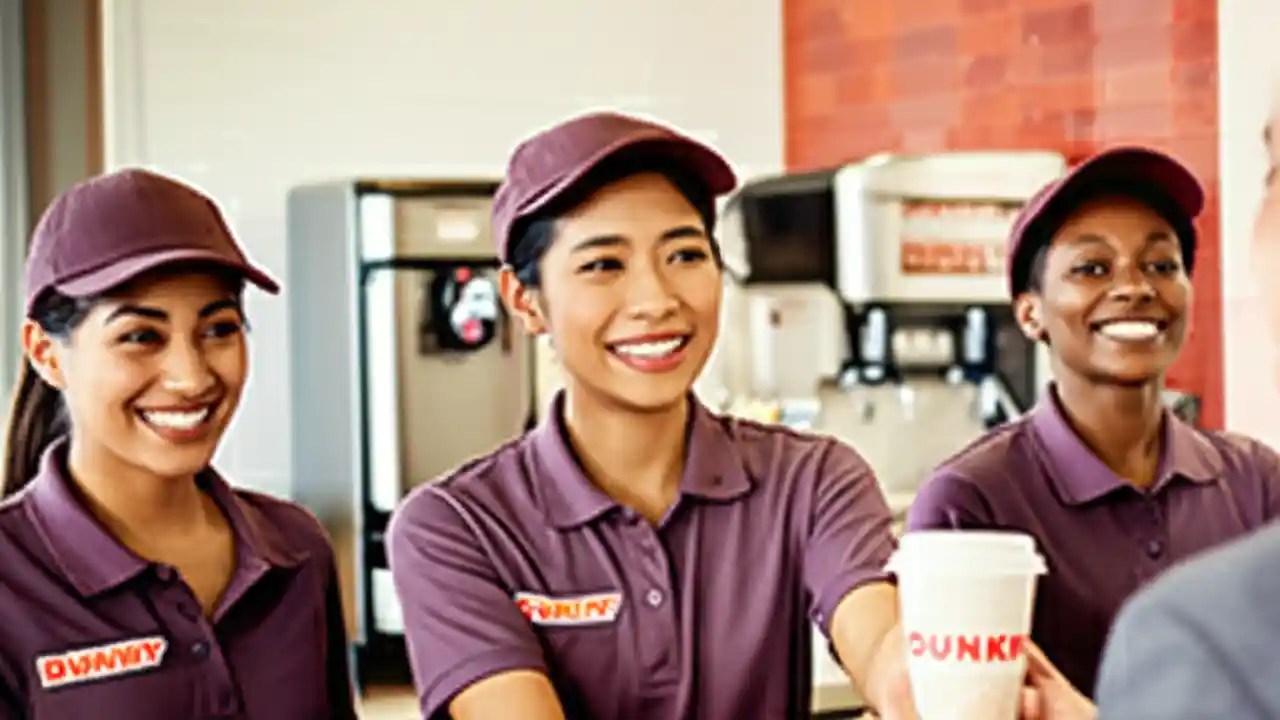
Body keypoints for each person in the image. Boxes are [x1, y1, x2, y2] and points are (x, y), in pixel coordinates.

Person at [385, 110, 915, 720]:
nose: (657, 301)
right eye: (603, 265)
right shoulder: (456, 529)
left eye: (685, 255)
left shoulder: (812, 481)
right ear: (524, 302)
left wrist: (917, 679)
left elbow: (878, 641)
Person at [906, 146, 1280, 698]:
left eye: (1161, 265)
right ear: (1030, 312)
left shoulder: (1257, 482)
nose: (1135, 287)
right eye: (1092, 268)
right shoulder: (969, 501)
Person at [0, 169, 358, 718]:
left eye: (219, 329)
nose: (191, 378)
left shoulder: (296, 551)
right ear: (46, 354)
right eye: (141, 337)